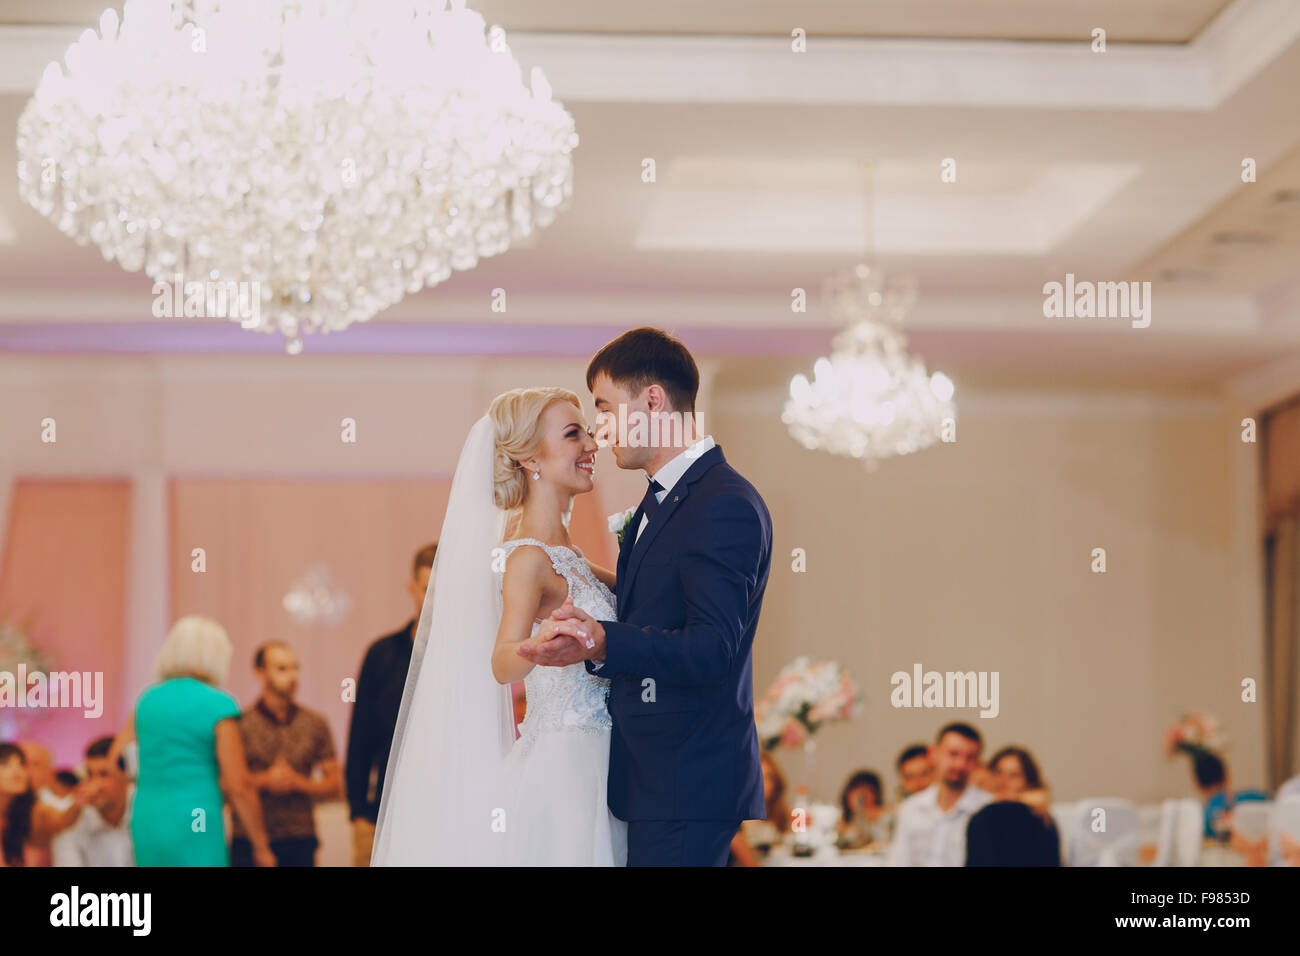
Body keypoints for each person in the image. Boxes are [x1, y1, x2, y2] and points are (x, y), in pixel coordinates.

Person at [519, 327, 774, 867]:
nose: (600, 432)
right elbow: (655, 603)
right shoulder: (668, 498)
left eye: (606, 409)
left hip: (686, 778)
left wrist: (600, 640)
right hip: (655, 777)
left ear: (652, 400)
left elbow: (710, 649)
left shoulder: (719, 504)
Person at [372, 386, 624, 865]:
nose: (592, 445)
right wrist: (539, 643)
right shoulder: (527, 558)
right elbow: (502, 662)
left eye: (588, 432)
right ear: (531, 458)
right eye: (574, 435)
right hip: (570, 764)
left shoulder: (569, 557)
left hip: (604, 754)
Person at [111, 615, 276, 866]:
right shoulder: (219, 703)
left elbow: (116, 761)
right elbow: (238, 784)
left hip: (148, 816)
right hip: (197, 816)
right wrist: (261, 845)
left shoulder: (147, 700)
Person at [345, 543, 436, 867]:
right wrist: (358, 810)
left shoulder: (467, 657)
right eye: (427, 589)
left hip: (447, 802)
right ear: (412, 588)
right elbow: (360, 736)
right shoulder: (381, 653)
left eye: (443, 590)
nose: (434, 600)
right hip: (386, 803)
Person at [231, 642, 340, 867]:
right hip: (248, 838)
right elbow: (226, 784)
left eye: (295, 668)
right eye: (282, 669)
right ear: (261, 674)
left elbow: (334, 784)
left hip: (300, 839)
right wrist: (265, 780)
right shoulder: (239, 724)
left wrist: (298, 783)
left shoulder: (315, 723)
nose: (292, 676)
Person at [887, 722, 993, 866]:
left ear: (977, 762)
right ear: (933, 754)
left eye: (970, 757)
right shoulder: (910, 809)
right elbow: (898, 862)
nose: (960, 764)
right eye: (953, 754)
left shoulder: (988, 811)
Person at [965, 745, 1060, 866]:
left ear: (1028, 782)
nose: (1003, 781)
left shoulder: (1040, 819)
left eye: (1014, 775)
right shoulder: (979, 809)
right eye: (998, 772)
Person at [51, 736, 134, 867]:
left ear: (127, 779)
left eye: (104, 775)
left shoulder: (146, 813)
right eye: (90, 774)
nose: (95, 785)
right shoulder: (74, 819)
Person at [0, 742, 86, 867]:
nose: (16, 770)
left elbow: (62, 820)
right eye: (5, 764)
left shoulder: (34, 809)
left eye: (21, 764)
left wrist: (79, 802)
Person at [838, 769, 890, 848]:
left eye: (869, 791)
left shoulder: (885, 817)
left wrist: (878, 819)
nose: (862, 796)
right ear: (848, 794)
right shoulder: (838, 820)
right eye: (858, 790)